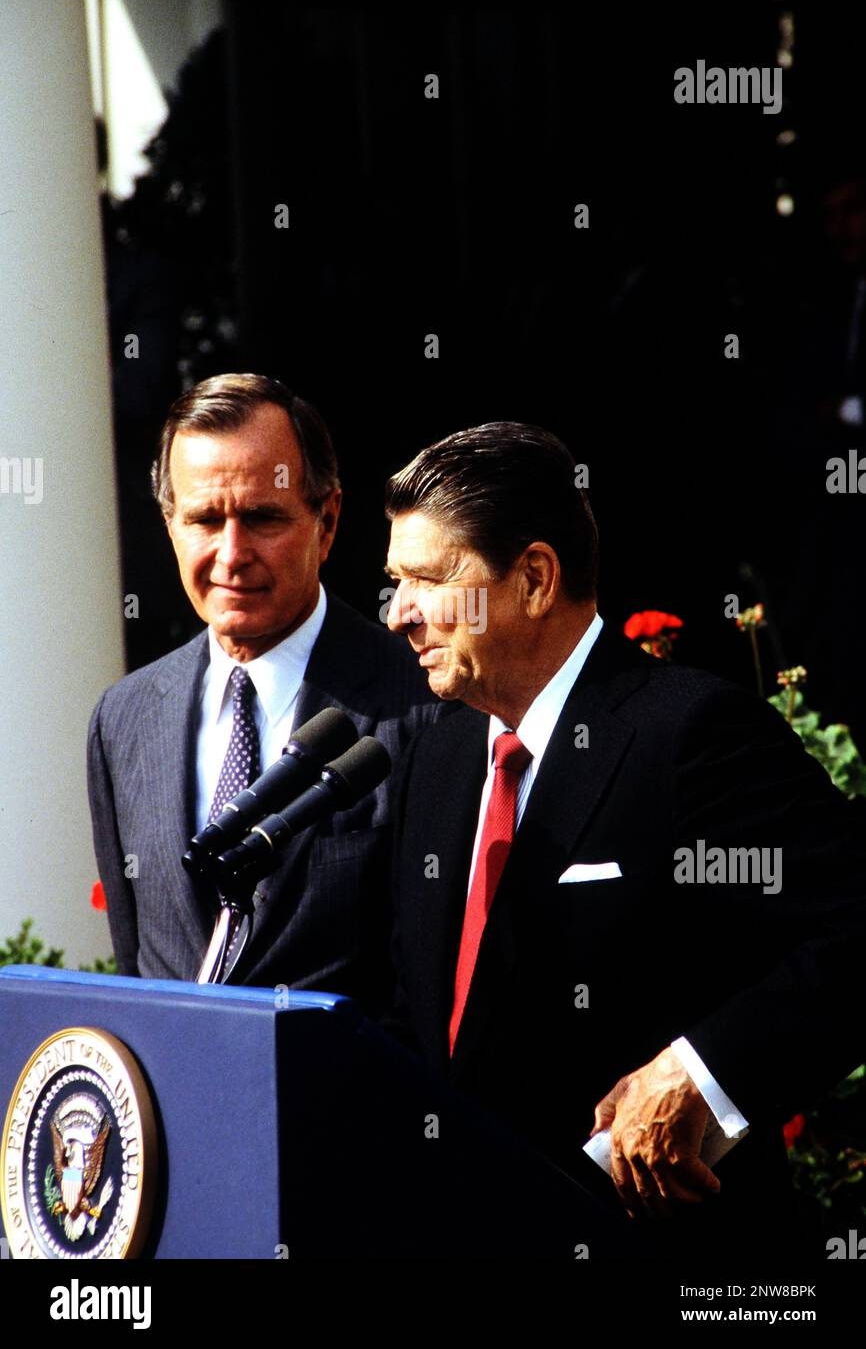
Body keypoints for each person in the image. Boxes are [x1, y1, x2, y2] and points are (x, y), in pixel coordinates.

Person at [381, 420, 866, 1257]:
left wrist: (703, 1076)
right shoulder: (441, 752)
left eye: (428, 579)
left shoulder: (692, 733)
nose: (399, 615)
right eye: (394, 581)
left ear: (535, 577)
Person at [87, 373, 442, 1008]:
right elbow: (136, 974)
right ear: (169, 524)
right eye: (204, 519)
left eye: (261, 517)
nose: (232, 553)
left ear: (327, 522)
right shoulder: (123, 718)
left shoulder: (422, 702)